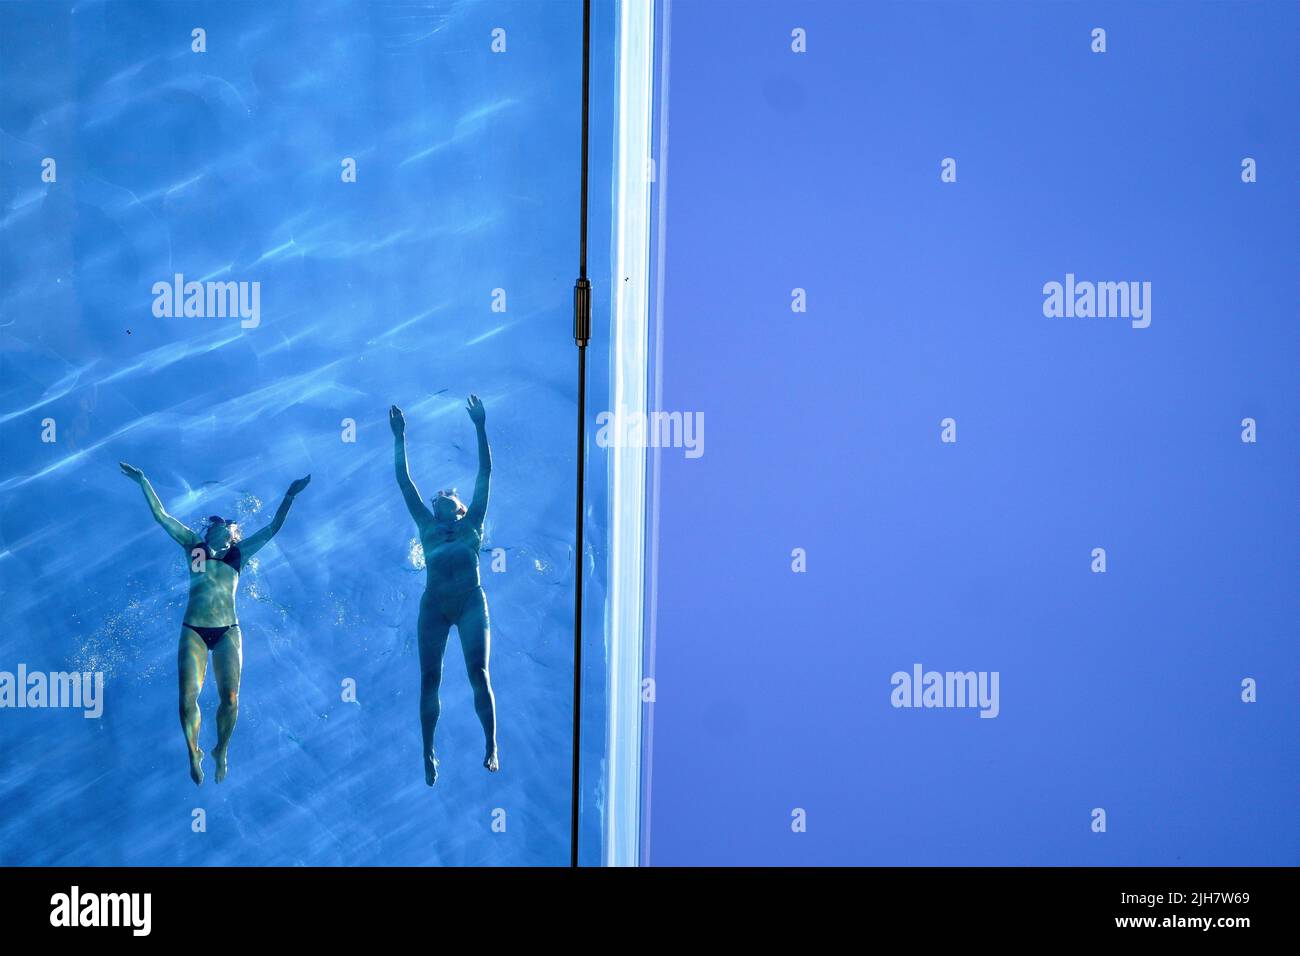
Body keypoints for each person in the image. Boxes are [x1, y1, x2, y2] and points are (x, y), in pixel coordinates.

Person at [118, 462, 310, 785]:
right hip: (193, 630)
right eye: (216, 522)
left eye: (226, 523)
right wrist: (143, 481)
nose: (219, 524)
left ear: (234, 534)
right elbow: (162, 516)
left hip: (227, 632)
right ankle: (193, 752)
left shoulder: (239, 554)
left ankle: (221, 749)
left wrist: (290, 495)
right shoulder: (194, 547)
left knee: (230, 699)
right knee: (186, 699)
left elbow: (273, 528)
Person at [390, 395, 498, 785]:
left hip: (470, 601)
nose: (438, 498)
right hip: (434, 604)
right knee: (429, 678)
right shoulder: (427, 526)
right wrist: (400, 436)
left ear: (460, 506)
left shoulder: (473, 524)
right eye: (436, 498)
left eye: (446, 496)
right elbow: (405, 483)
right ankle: (427, 752)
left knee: (478, 672)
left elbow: (486, 472)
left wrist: (480, 425)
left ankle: (491, 744)